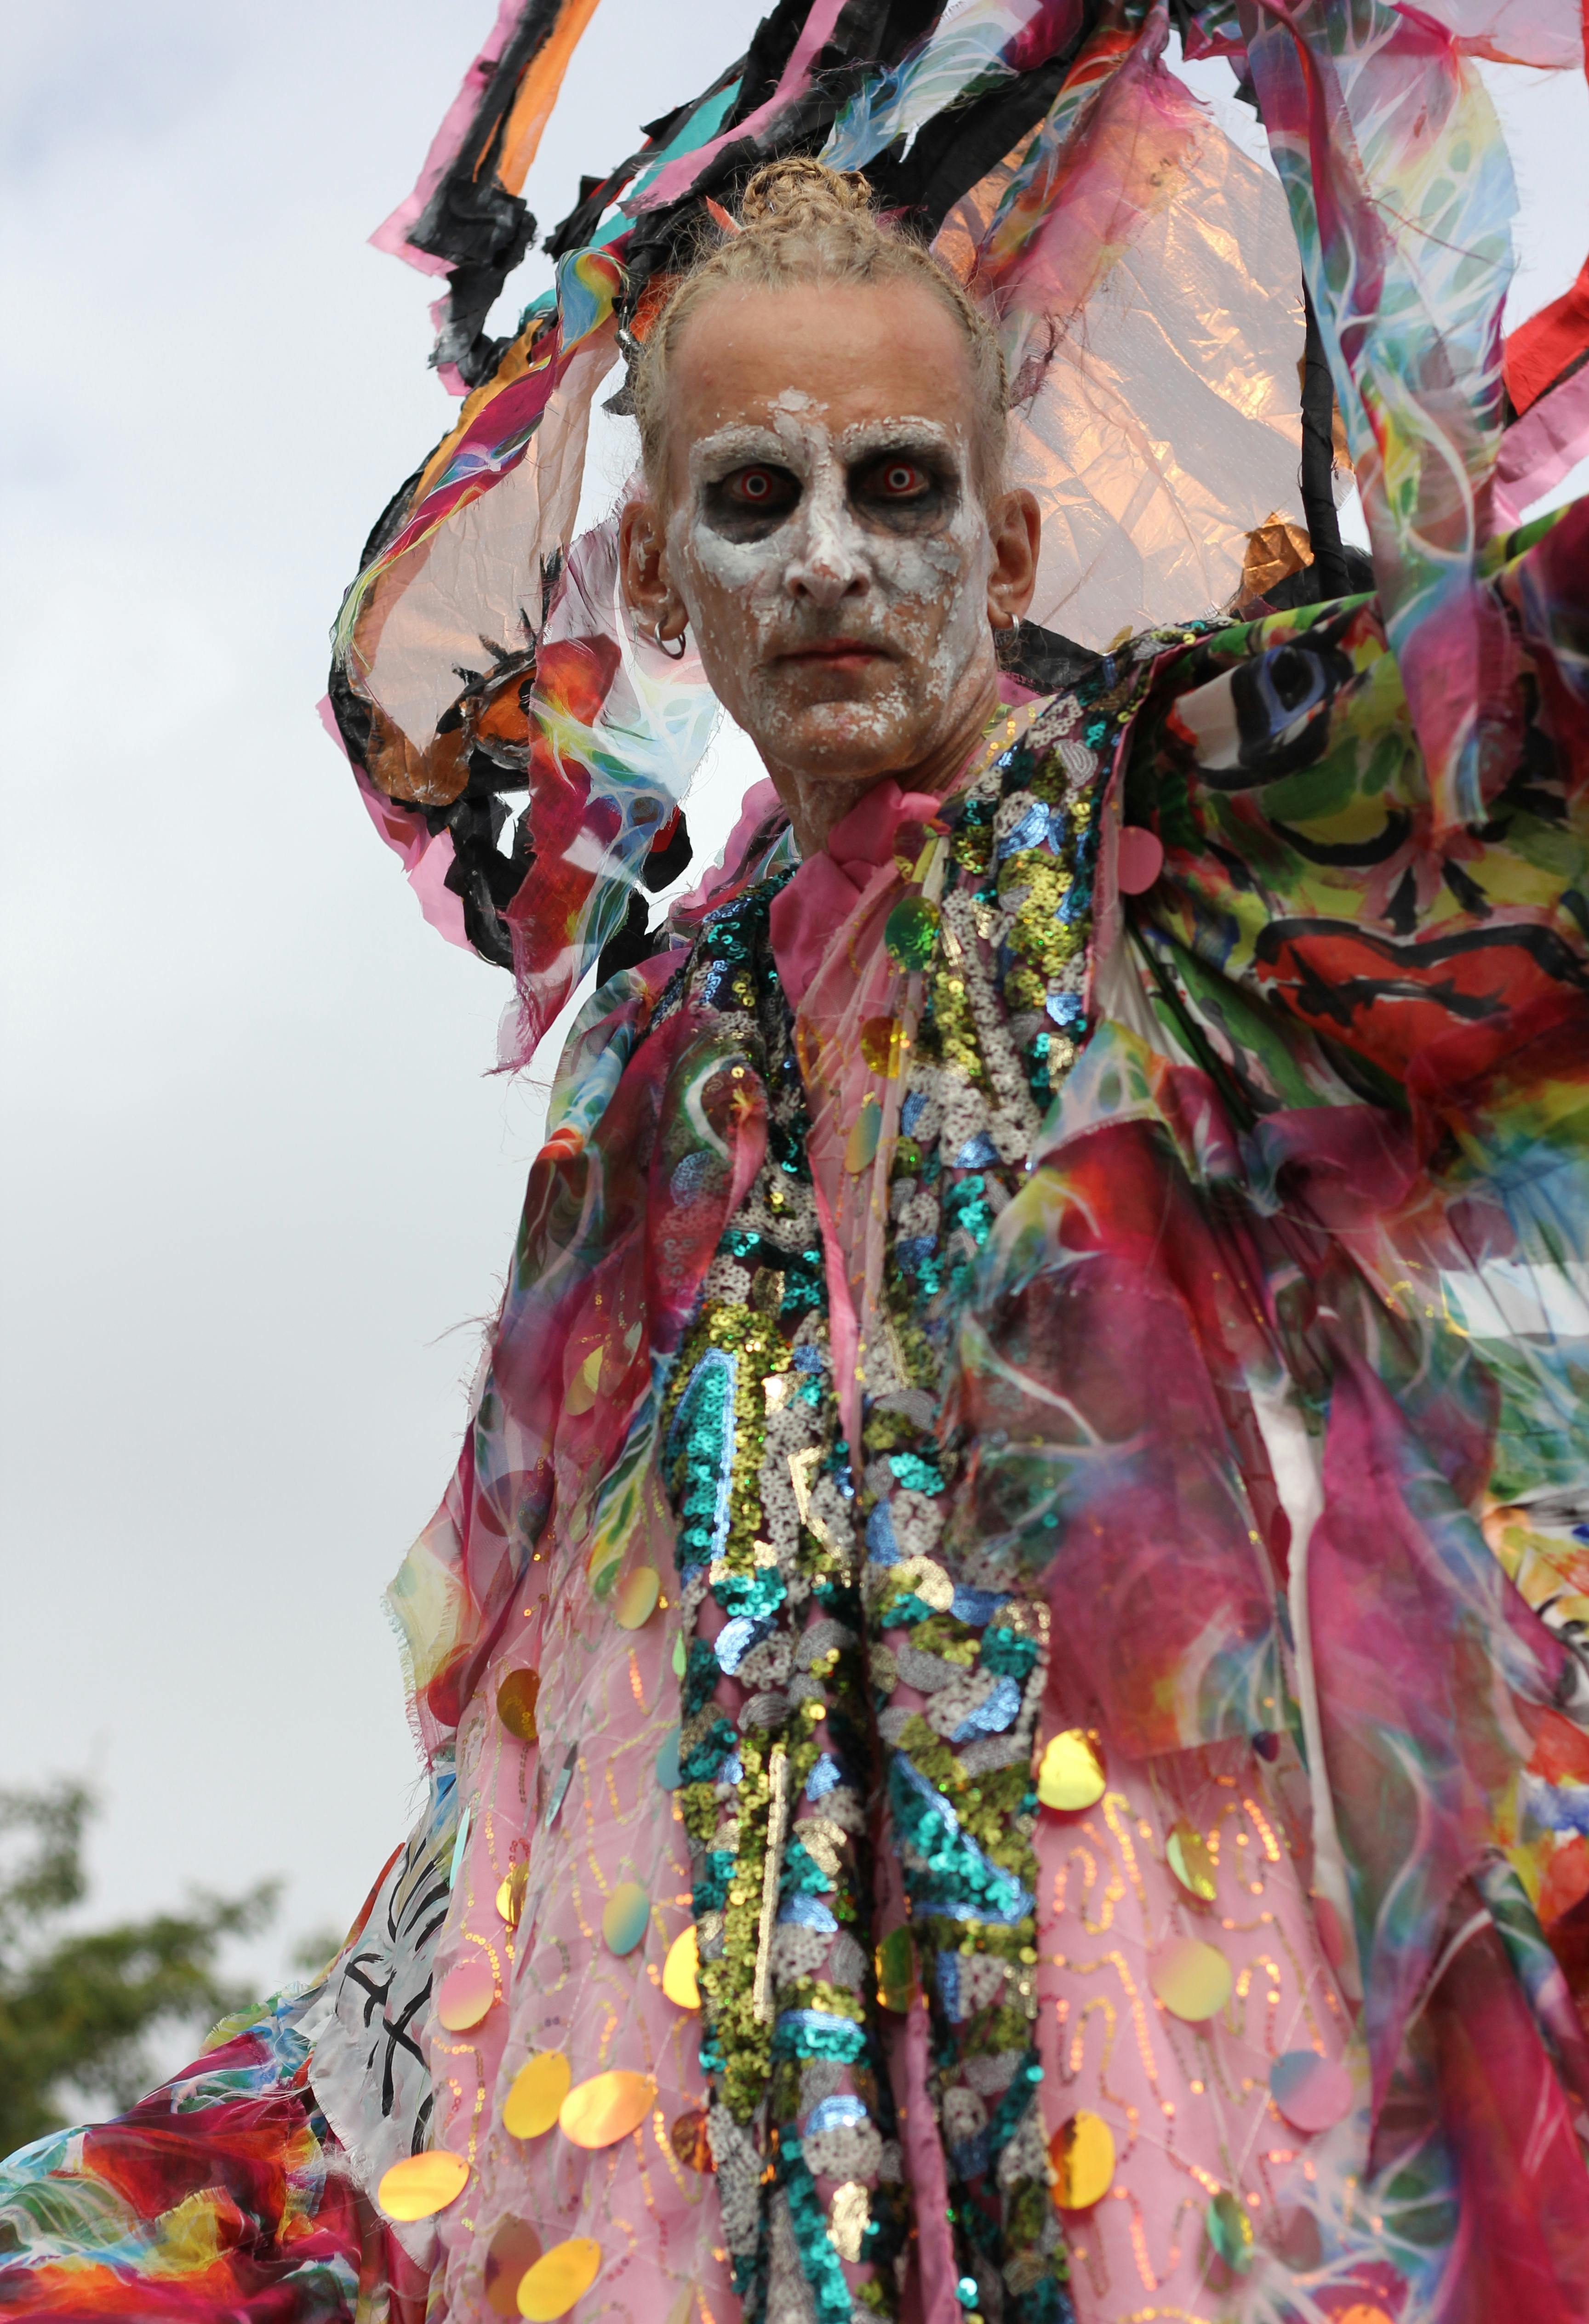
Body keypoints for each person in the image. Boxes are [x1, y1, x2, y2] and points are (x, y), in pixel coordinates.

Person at [6, 153, 1589, 2324]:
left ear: (1006, 543)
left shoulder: (1181, 820)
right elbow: (556, 1620)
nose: (834, 558)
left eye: (900, 486)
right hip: (723, 2012)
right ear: (663, 576)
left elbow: (1511, 722)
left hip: (1198, 1961)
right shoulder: (662, 1051)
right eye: (758, 499)